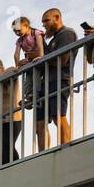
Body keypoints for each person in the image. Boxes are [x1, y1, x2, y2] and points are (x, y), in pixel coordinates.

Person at [37, 8, 79, 151]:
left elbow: (63, 59)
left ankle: (66, 149)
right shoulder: (53, 39)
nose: (44, 25)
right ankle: (43, 154)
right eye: (43, 22)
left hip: (60, 80)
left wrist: (41, 60)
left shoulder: (66, 33)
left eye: (46, 20)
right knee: (40, 124)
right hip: (45, 83)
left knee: (58, 117)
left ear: (57, 17)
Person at [13, 16, 45, 110]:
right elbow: (16, 54)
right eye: (15, 32)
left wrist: (40, 56)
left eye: (19, 30)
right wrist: (17, 65)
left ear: (27, 26)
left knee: (36, 75)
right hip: (30, 62)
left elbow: (40, 45)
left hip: (39, 58)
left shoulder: (36, 33)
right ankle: (28, 96)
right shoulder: (20, 40)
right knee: (28, 78)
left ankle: (35, 94)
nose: (17, 33)